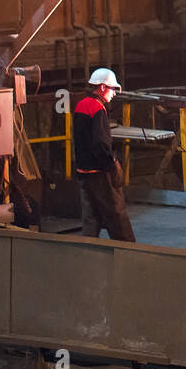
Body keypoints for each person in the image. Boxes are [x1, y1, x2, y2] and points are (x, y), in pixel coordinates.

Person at [73, 68, 136, 242]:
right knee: (117, 216)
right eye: (112, 89)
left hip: (84, 172)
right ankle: (130, 252)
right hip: (100, 174)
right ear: (101, 88)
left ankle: (89, 253)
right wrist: (111, 165)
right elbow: (100, 143)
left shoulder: (80, 105)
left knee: (91, 219)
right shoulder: (97, 108)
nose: (114, 94)